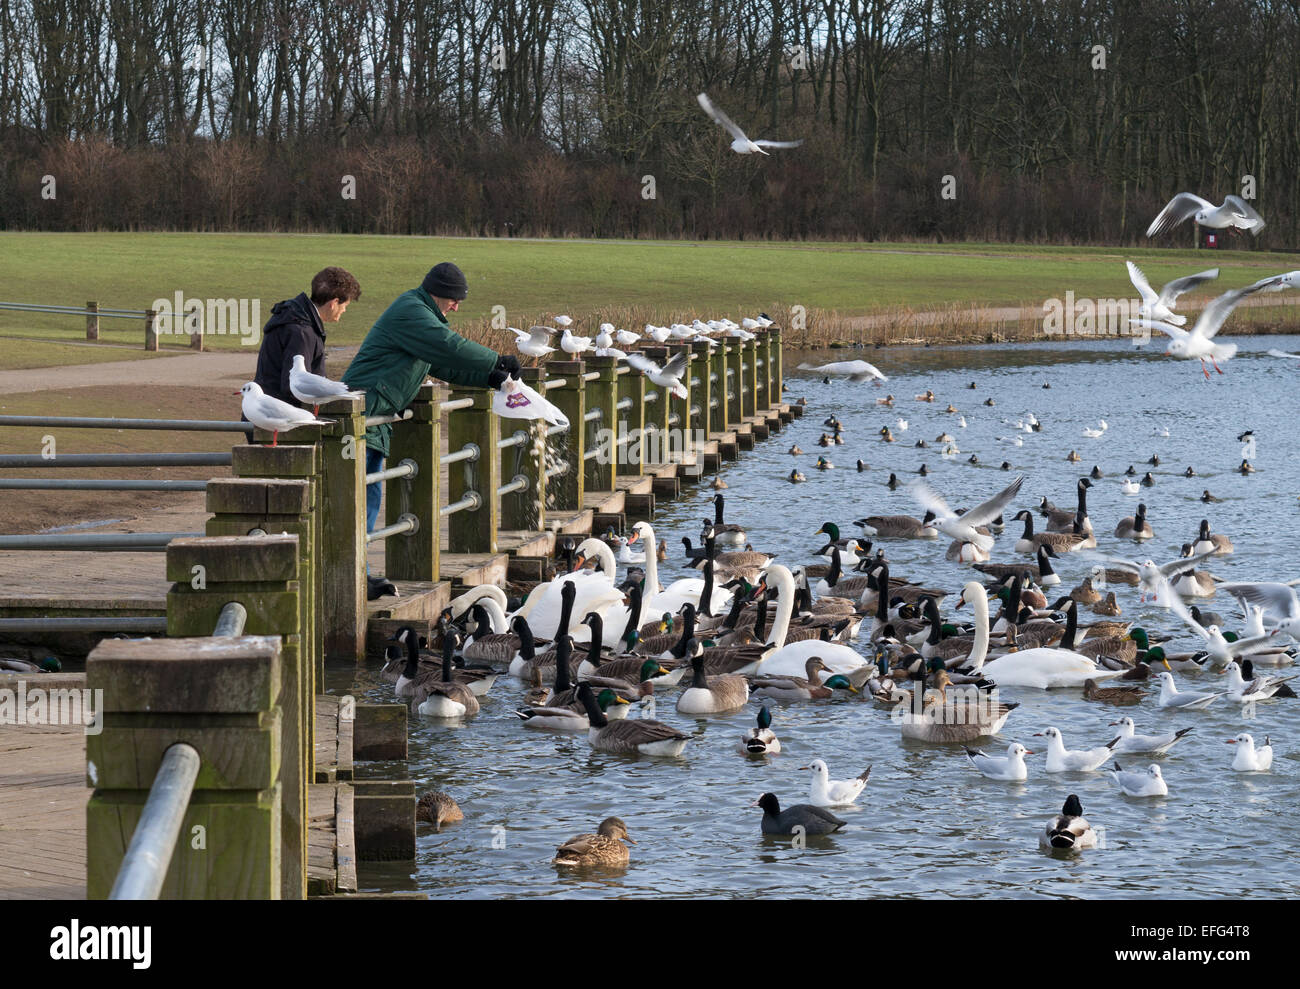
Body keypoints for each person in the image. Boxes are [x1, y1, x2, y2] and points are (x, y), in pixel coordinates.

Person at [344, 262, 520, 599]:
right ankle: (353, 579)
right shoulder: (411, 312)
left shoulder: (421, 319)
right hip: (359, 417)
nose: (457, 306)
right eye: (454, 299)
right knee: (356, 502)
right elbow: (448, 346)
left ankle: (359, 576)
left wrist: (489, 378)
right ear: (438, 293)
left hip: (373, 420)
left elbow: (443, 364)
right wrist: (496, 359)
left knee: (367, 500)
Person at [252, 267, 361, 406]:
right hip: (277, 421)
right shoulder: (302, 332)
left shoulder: (293, 316)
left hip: (264, 414)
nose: (344, 310)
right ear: (334, 303)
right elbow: (292, 387)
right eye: (345, 305)